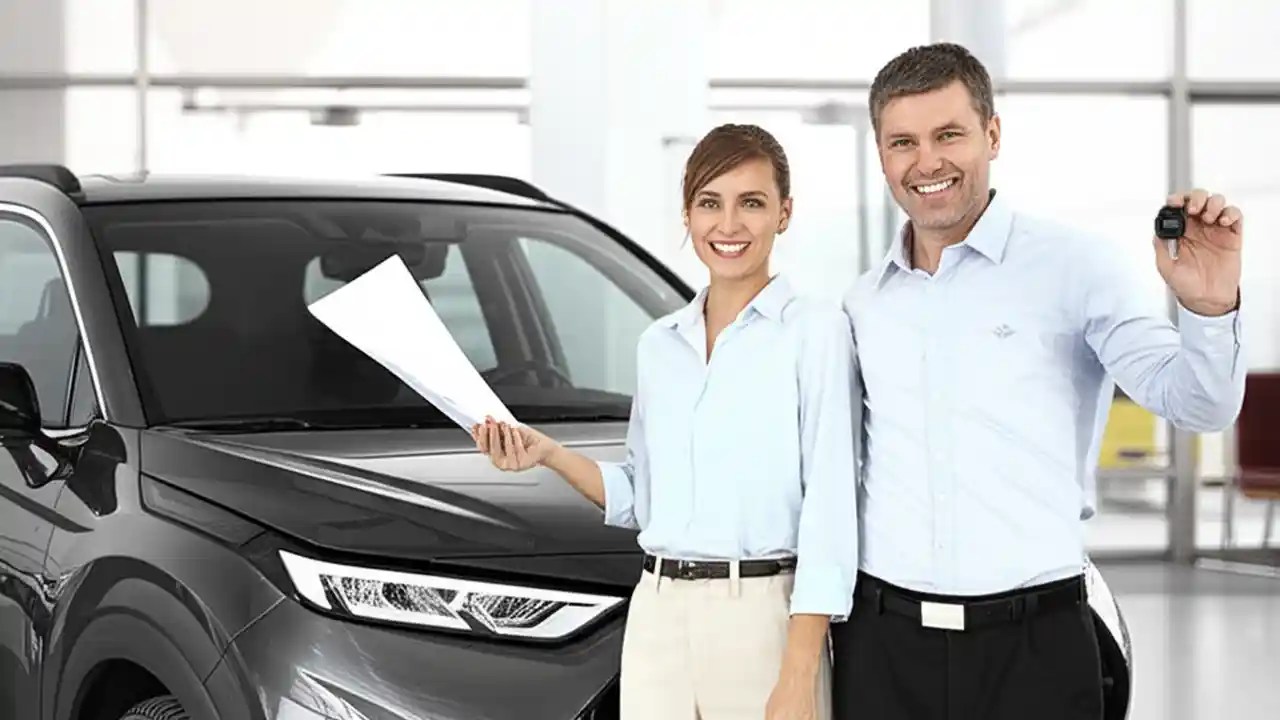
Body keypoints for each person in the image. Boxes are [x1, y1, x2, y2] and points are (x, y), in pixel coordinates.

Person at [832, 42, 1247, 720]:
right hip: (884, 647)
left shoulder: (1077, 268)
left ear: (992, 135)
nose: (926, 162)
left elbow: (1199, 406)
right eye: (903, 142)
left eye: (948, 135)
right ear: (881, 155)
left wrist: (1208, 309)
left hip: (1036, 649)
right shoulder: (862, 303)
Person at [472, 123, 860, 720]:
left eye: (751, 203)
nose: (728, 224)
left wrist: (800, 668)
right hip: (656, 617)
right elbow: (641, 496)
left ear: (784, 213)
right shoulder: (660, 345)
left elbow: (831, 509)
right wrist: (548, 453)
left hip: (761, 617)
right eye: (710, 202)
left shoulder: (815, 332)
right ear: (686, 214)